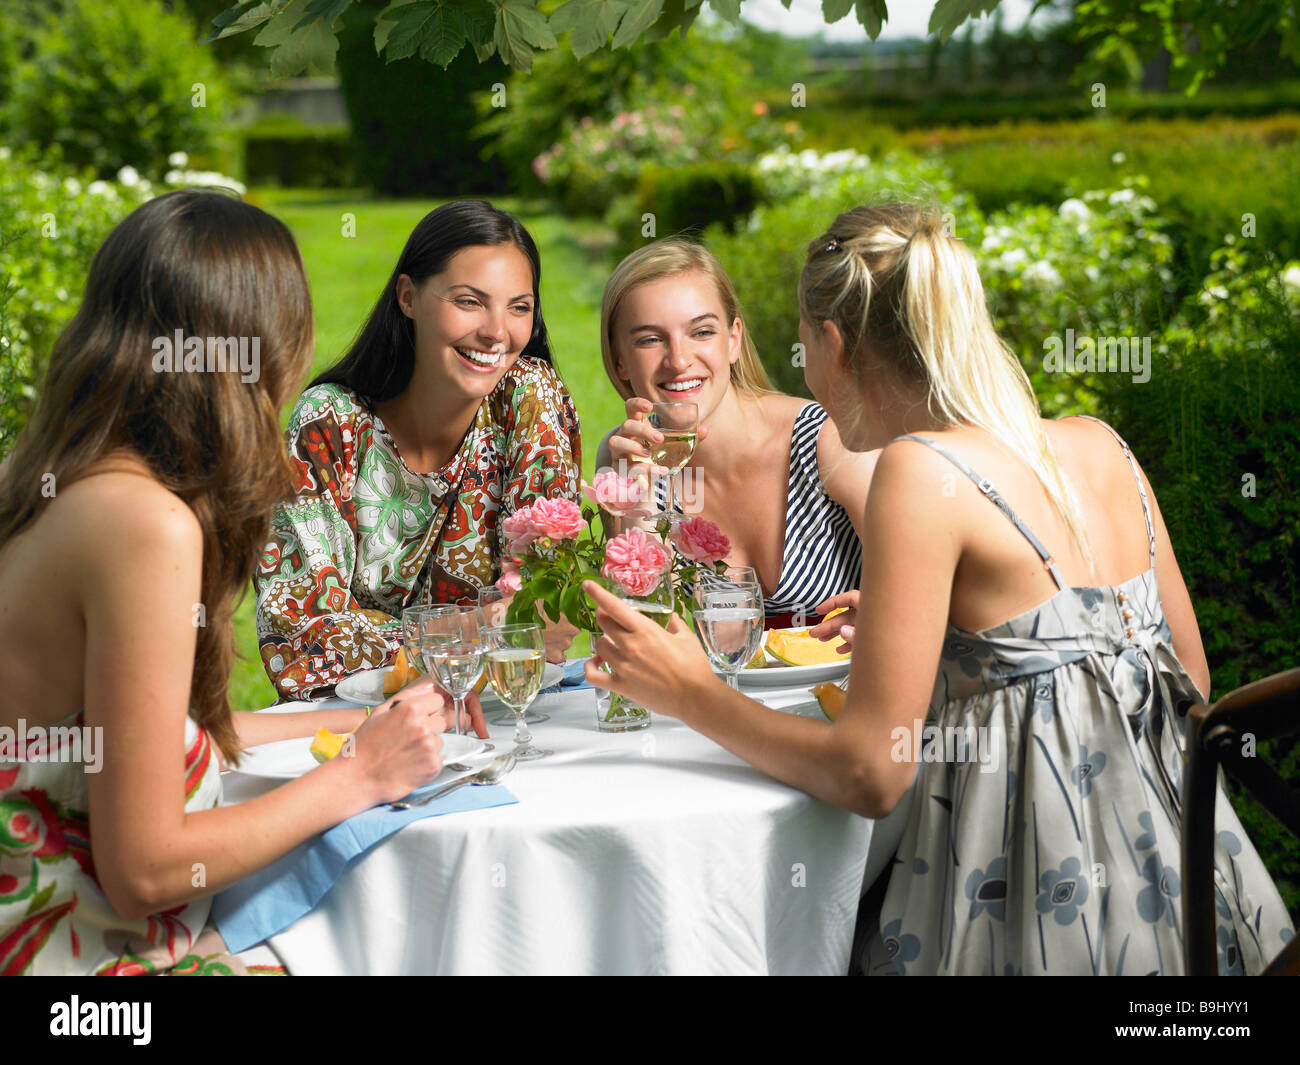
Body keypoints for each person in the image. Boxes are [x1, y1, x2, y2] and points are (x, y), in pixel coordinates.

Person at [581, 203, 1294, 975]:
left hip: (1035, 919)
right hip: (1199, 905)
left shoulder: (918, 470)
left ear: (833, 343)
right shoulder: (1101, 444)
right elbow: (1188, 680)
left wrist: (693, 694)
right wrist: (951, 644)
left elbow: (869, 773)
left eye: (804, 344)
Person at [0, 190, 480, 975]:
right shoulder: (144, 524)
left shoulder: (46, 480)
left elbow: (159, 738)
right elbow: (145, 868)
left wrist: (376, 722)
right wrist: (362, 775)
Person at [256, 200, 582, 700]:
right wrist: (481, 627)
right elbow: (299, 640)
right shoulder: (331, 424)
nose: (497, 332)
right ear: (408, 297)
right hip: (354, 720)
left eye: (519, 307)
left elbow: (544, 606)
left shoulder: (528, 397)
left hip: (502, 709)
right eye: (469, 302)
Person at [595, 238, 871, 628]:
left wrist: (879, 624)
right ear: (620, 359)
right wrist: (634, 503)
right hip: (714, 671)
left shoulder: (825, 439)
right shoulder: (625, 457)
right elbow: (646, 631)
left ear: (733, 339)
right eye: (650, 339)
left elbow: (925, 592)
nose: (678, 360)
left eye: (701, 332)